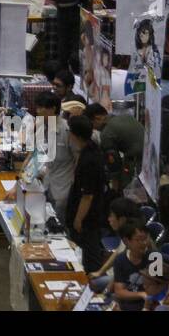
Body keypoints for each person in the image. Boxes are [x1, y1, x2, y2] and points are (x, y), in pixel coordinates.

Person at [66, 114, 107, 272]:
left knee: (89, 254)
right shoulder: (90, 149)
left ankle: (91, 282)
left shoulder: (89, 160)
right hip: (87, 214)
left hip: (88, 218)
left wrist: (78, 219)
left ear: (75, 135)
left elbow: (87, 196)